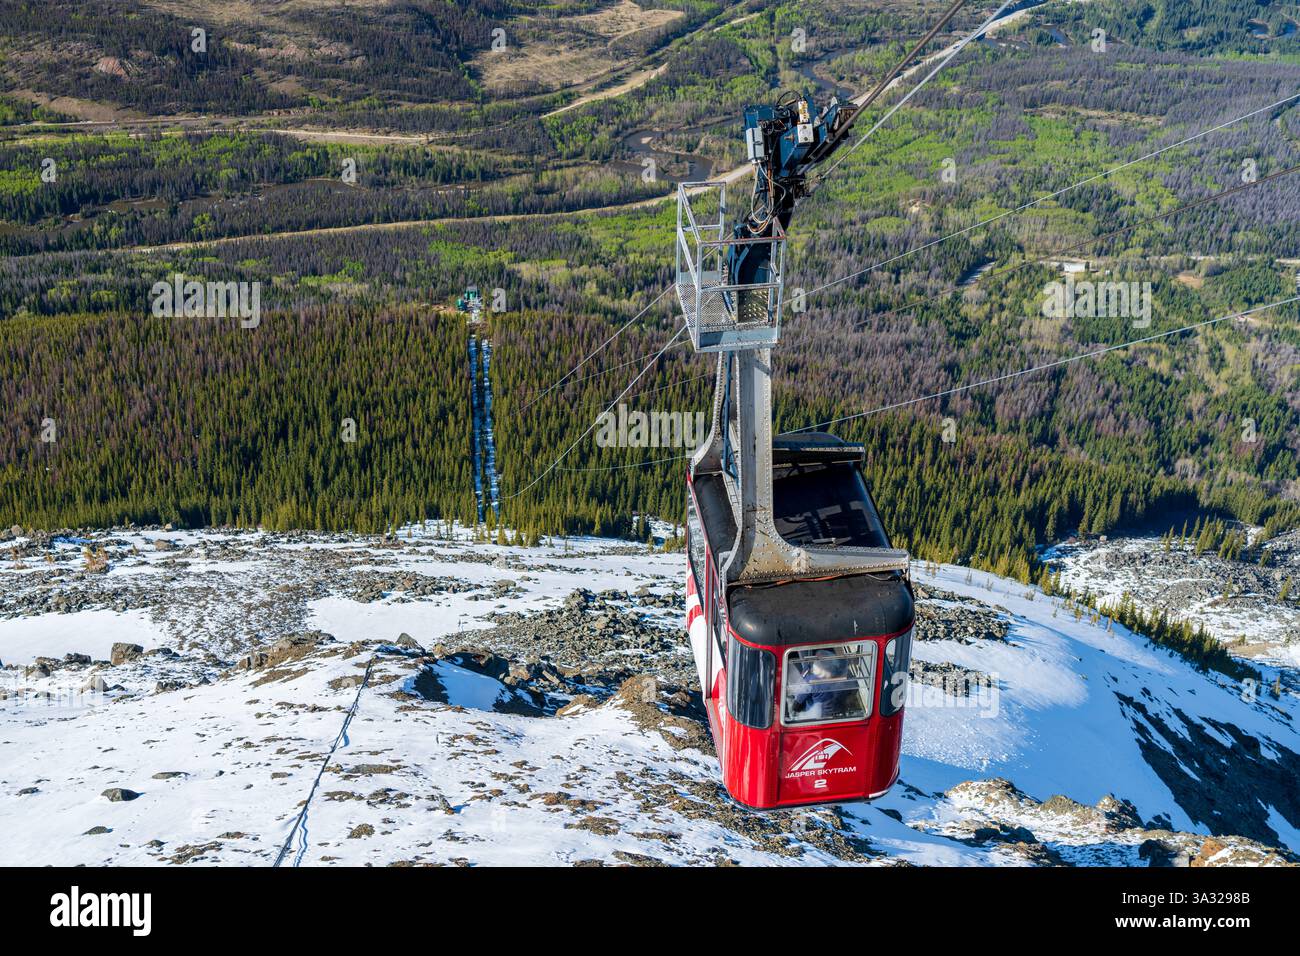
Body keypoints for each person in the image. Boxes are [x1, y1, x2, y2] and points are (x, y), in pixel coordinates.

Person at [786, 648, 860, 721]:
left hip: (818, 714)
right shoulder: (843, 674)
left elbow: (796, 706)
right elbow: (854, 687)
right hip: (839, 710)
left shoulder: (810, 682)